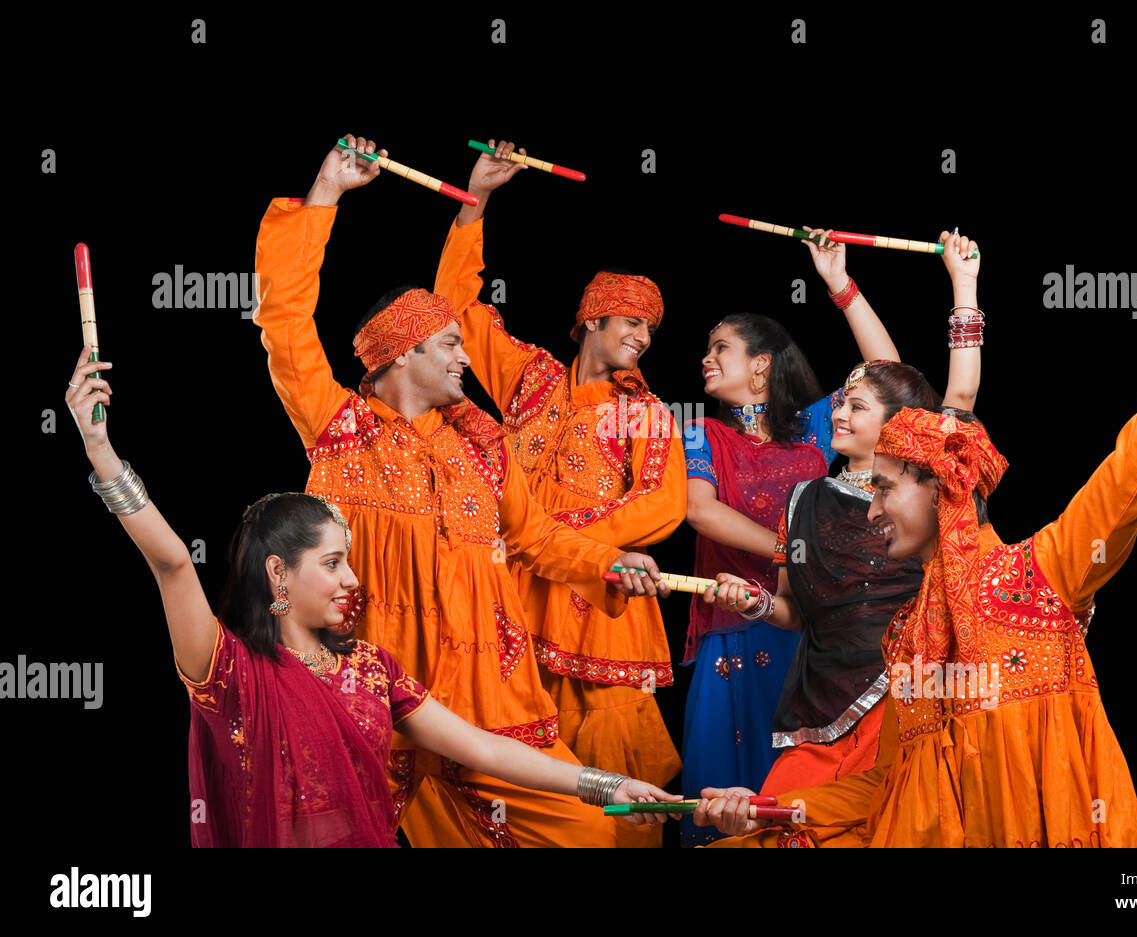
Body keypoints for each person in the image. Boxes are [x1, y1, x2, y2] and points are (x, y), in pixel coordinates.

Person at [696, 166, 1137, 846]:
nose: (871, 512)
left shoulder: (1043, 573)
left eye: (886, 488)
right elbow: (885, 783)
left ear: (939, 486)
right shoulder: (908, 639)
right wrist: (772, 810)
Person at [63, 348, 679, 847]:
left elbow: (485, 748)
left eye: (350, 561)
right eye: (333, 563)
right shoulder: (230, 670)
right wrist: (100, 452)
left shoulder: (372, 672)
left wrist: (610, 785)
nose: (354, 580)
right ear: (277, 575)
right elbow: (173, 563)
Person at [253, 134, 672, 848]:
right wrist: (325, 192)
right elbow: (284, 318)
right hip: (370, 701)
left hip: (487, 702)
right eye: (448, 343)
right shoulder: (339, 427)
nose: (465, 356)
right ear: (400, 353)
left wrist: (608, 563)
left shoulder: (483, 447)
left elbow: (536, 538)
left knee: (595, 835)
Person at [430, 141, 688, 847]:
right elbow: (452, 309)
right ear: (591, 321)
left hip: (596, 604)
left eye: (651, 328)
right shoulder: (531, 377)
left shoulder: (645, 409)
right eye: (630, 320)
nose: (642, 336)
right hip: (511, 590)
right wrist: (476, 199)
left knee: (611, 749)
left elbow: (663, 504)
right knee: (510, 739)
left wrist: (566, 538)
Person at [704, 230, 983, 799]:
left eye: (857, 406)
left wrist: (963, 282)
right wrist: (752, 602)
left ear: (896, 422)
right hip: (820, 705)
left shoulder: (926, 484)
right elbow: (791, 610)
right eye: (841, 402)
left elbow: (961, 390)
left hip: (909, 697)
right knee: (784, 824)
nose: (840, 410)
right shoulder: (804, 499)